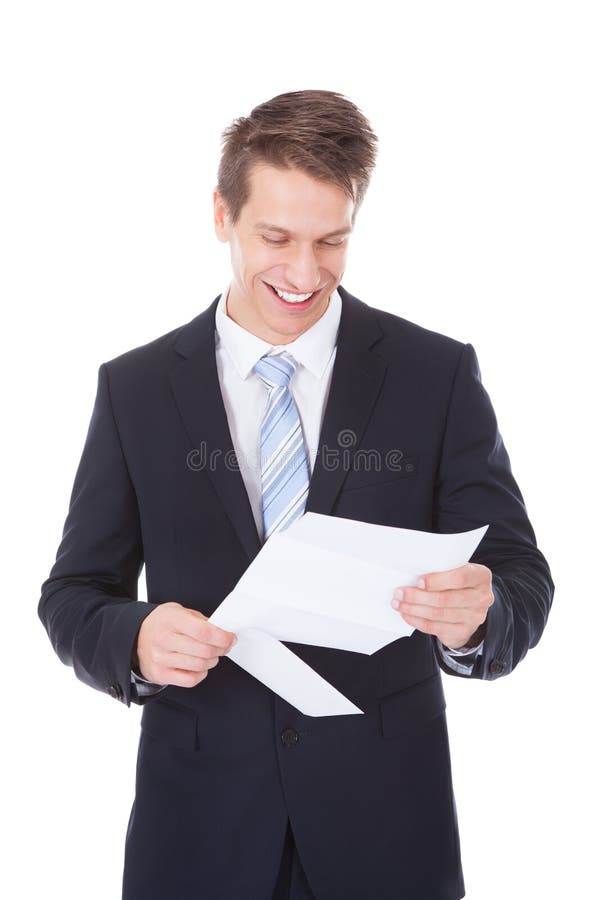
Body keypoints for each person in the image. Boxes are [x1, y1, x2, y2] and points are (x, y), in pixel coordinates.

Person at [38, 89, 554, 900]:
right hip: (199, 835)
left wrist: (479, 616)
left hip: (388, 833)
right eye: (275, 237)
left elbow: (519, 575)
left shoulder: (435, 375)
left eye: (332, 241)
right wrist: (134, 638)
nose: (304, 272)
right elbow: (73, 596)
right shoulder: (134, 389)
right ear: (221, 214)